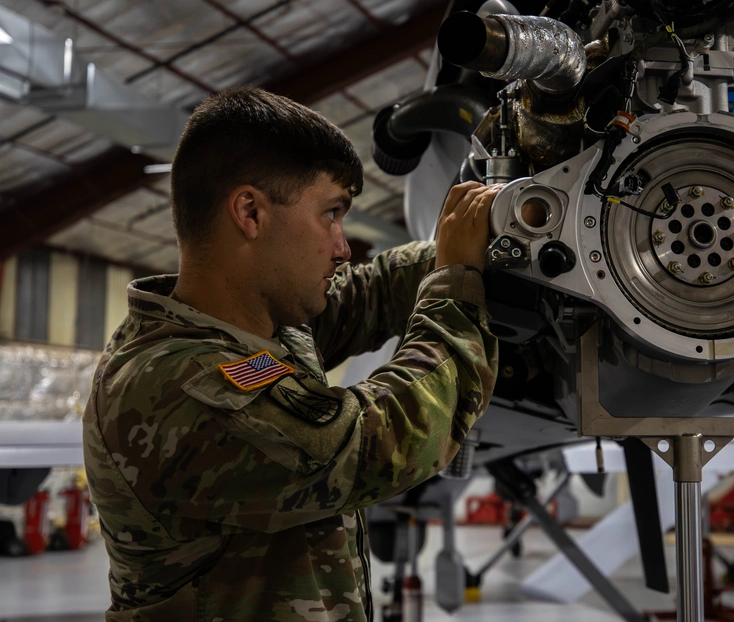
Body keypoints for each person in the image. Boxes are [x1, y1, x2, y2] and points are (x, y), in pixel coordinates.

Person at [82, 86, 500, 622]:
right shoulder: (174, 383)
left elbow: (370, 292)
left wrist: (482, 237)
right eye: (331, 214)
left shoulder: (257, 328)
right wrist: (457, 283)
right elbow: (382, 440)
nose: (343, 247)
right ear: (250, 212)